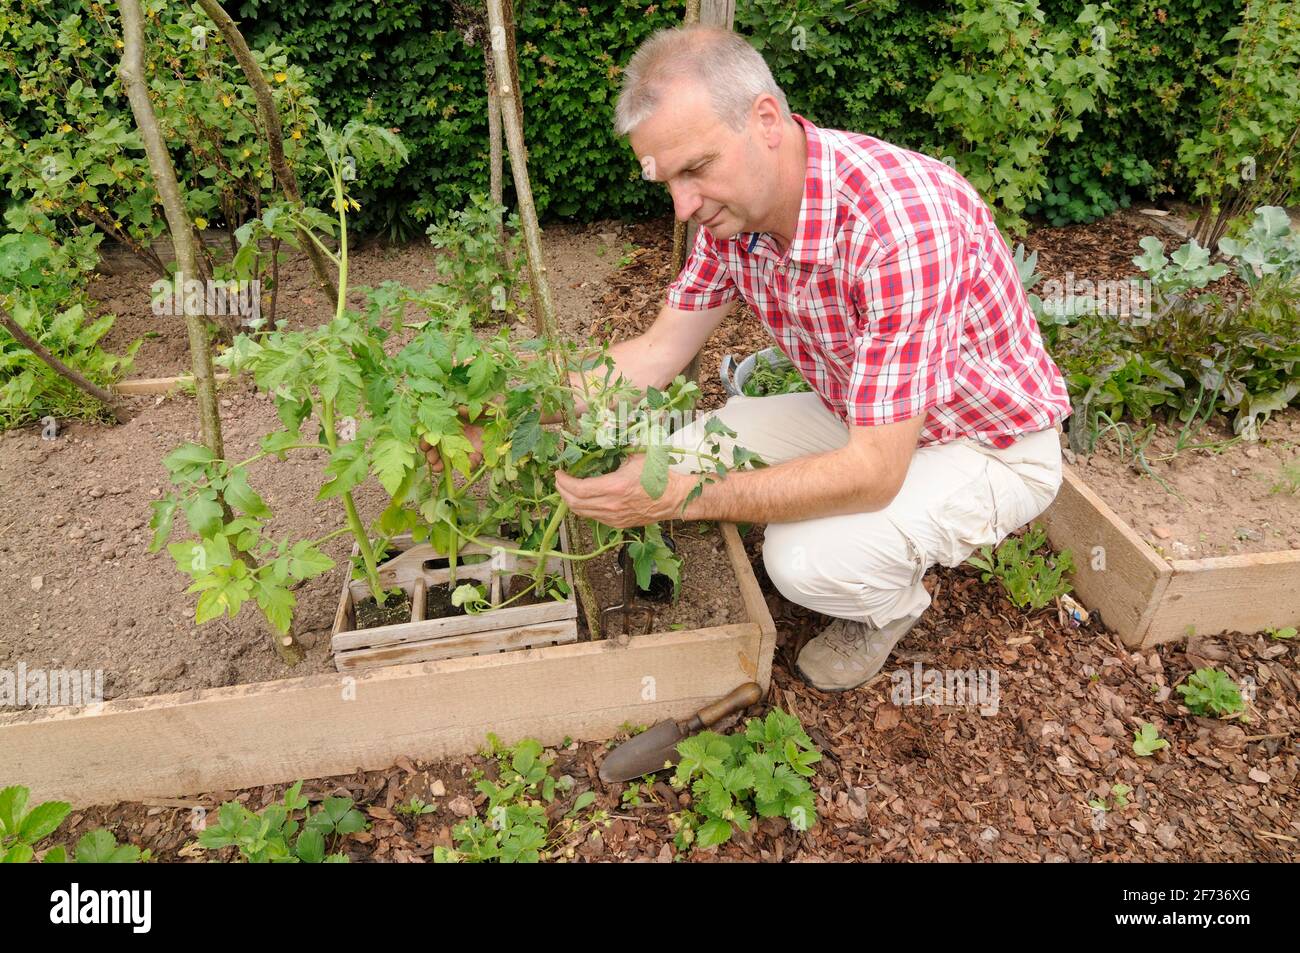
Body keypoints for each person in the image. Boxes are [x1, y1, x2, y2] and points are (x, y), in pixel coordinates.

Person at [469, 24, 1071, 692]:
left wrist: (676, 501)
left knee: (802, 558)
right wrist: (500, 415)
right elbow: (653, 353)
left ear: (765, 120)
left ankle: (889, 607)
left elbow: (874, 471)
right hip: (866, 413)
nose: (683, 204)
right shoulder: (733, 220)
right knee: (693, 452)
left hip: (987, 444)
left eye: (695, 168)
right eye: (667, 179)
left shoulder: (899, 224)